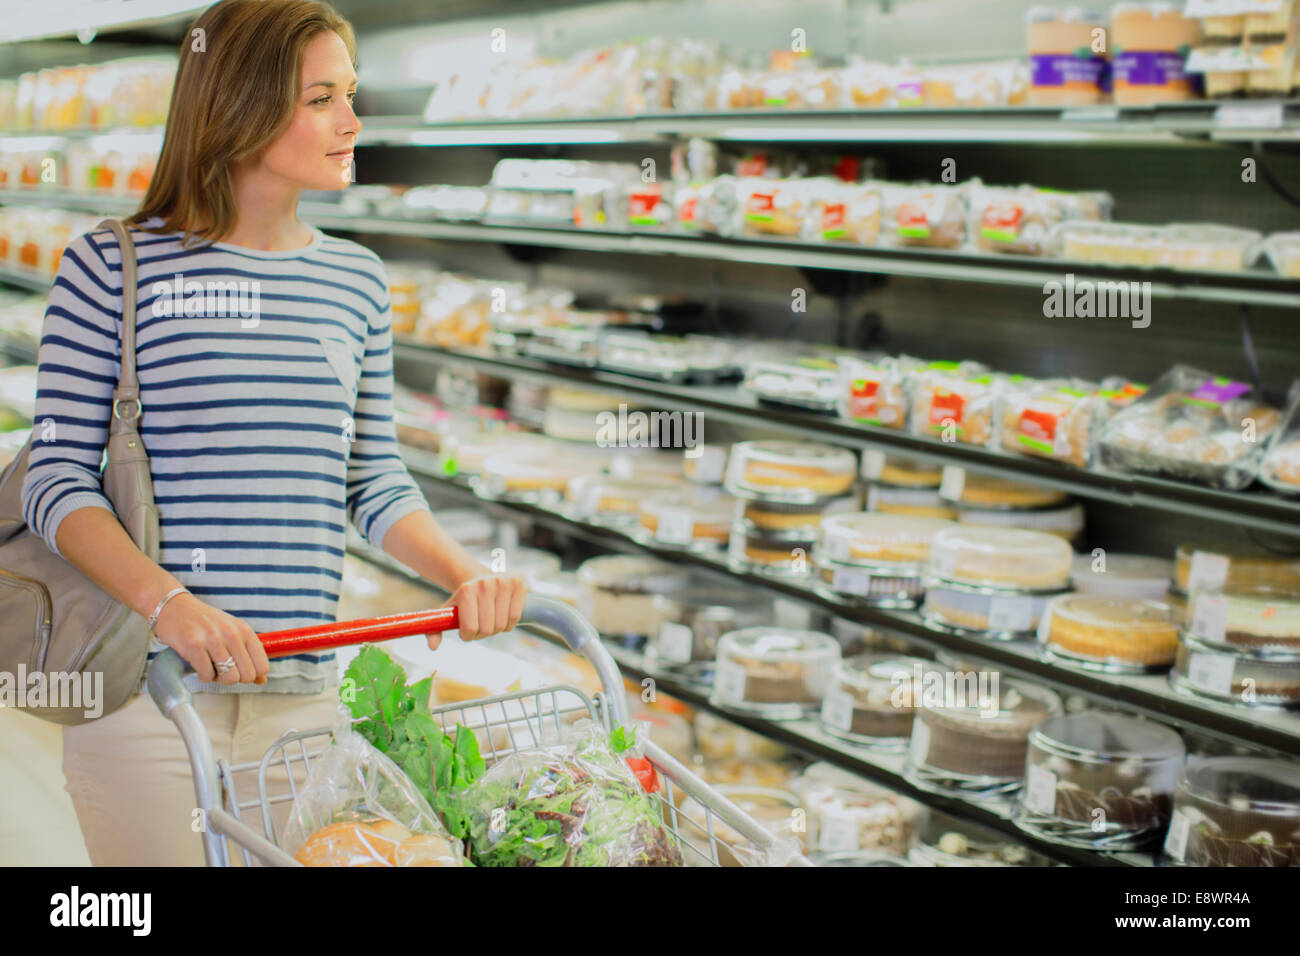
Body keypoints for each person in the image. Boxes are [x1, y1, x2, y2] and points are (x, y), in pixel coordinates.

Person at [20, 0, 526, 865]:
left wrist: (463, 575)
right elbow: (54, 479)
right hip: (150, 698)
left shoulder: (357, 281)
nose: (353, 121)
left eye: (350, 93)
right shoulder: (112, 263)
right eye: (321, 98)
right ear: (241, 106)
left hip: (303, 702)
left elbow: (372, 480)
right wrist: (171, 605)